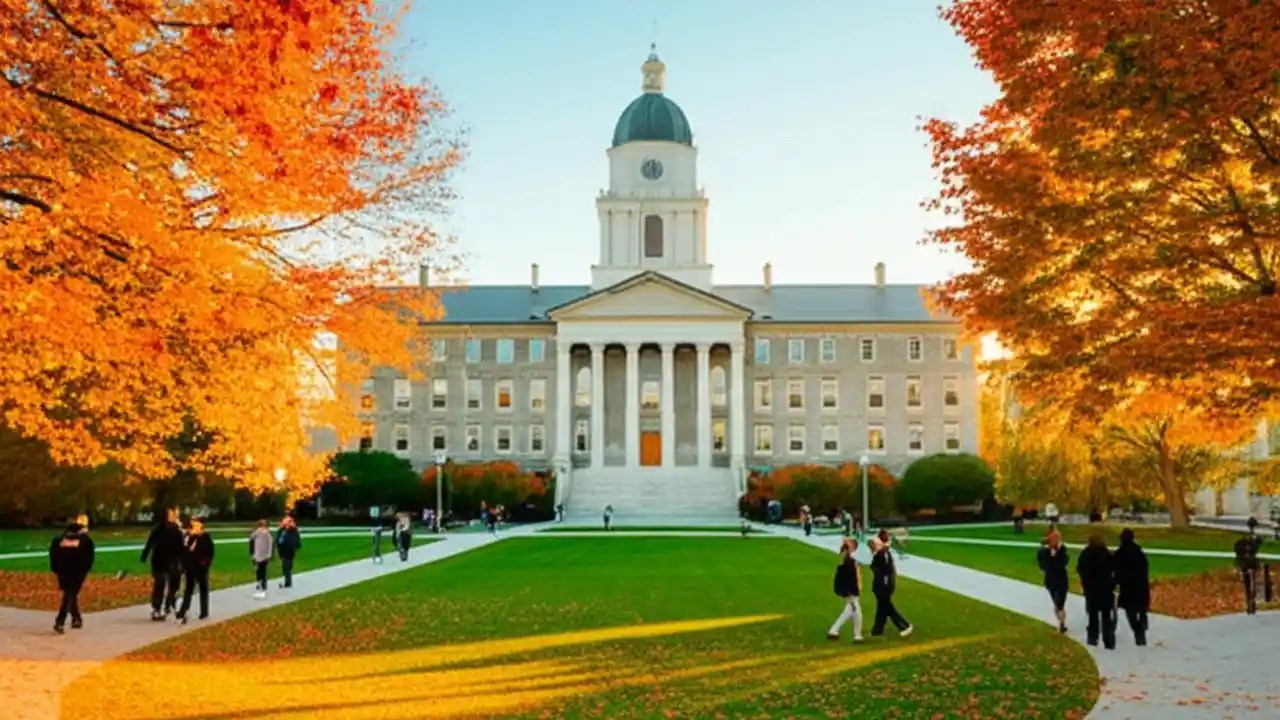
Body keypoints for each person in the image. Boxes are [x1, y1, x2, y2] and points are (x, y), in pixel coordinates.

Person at [49, 514, 95, 634]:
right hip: (77, 573)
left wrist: (56, 570)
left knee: (69, 595)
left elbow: (53, 556)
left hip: (63, 572)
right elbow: (89, 558)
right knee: (70, 595)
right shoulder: (85, 541)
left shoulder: (58, 541)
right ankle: (60, 621)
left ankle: (76, 618)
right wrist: (86, 570)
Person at [140, 507, 184, 621]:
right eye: (169, 515)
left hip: (173, 562)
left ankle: (168, 605)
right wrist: (144, 555)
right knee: (160, 583)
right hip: (159, 561)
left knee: (174, 584)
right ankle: (157, 608)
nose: (171, 517)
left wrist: (183, 561)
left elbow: (181, 547)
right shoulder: (158, 529)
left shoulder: (176, 530)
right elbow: (150, 542)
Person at [1076, 534, 1116, 649]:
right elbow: (1113, 567)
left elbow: (1080, 569)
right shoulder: (1106, 553)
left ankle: (1092, 638)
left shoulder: (1086, 554)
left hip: (1092, 589)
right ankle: (1108, 641)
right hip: (1106, 588)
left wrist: (1085, 583)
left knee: (1092, 615)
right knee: (1106, 616)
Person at [1113, 528, 1150, 646]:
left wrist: (1113, 583)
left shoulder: (1120, 554)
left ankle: (1138, 630)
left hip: (1128, 588)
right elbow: (1145, 569)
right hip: (1141, 586)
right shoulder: (1139, 553)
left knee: (1131, 612)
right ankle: (1143, 620)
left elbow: (1116, 571)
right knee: (1141, 606)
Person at [869, 536, 913, 637]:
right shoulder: (885, 554)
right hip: (885, 586)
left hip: (882, 587)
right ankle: (877, 630)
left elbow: (877, 568)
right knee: (881, 608)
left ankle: (904, 626)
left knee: (888, 608)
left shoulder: (880, 555)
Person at [176, 517, 215, 623]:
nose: (193, 526)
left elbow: (210, 553)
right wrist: (184, 566)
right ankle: (183, 610)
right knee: (188, 590)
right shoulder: (190, 538)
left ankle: (204, 612)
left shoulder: (206, 538)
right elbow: (184, 553)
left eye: (195, 524)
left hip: (201, 569)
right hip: (191, 568)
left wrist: (205, 564)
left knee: (203, 590)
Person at [827, 537, 864, 642]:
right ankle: (856, 635)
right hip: (851, 592)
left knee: (851, 611)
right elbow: (852, 579)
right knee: (856, 612)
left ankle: (835, 630)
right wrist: (851, 593)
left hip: (849, 591)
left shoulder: (848, 560)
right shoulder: (850, 562)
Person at [1036, 530, 1070, 633]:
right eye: (1055, 538)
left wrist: (1057, 554)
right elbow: (1044, 566)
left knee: (1060, 602)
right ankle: (1061, 622)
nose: (1057, 540)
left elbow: (1064, 562)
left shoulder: (1062, 549)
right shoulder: (1043, 552)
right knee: (1057, 602)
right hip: (1051, 580)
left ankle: (1061, 623)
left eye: (1058, 538)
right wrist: (1052, 556)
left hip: (1062, 580)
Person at [1234, 532, 1262, 614]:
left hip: (1250, 567)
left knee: (1251, 586)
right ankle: (1249, 603)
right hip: (1246, 568)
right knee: (1248, 587)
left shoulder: (1251, 554)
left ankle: (1251, 602)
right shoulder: (1242, 556)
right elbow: (1239, 564)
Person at [249, 519, 274, 599]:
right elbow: (270, 543)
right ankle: (263, 585)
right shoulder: (267, 533)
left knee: (259, 571)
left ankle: (259, 584)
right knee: (263, 571)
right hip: (264, 556)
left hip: (258, 555)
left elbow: (251, 537)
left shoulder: (257, 532)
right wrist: (269, 554)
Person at [276, 516, 302, 589]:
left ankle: (288, 583)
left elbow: (297, 542)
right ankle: (288, 581)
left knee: (287, 567)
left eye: (288, 522)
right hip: (282, 551)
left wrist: (296, 545)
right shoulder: (281, 530)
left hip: (289, 551)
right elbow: (278, 539)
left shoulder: (293, 531)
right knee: (285, 567)